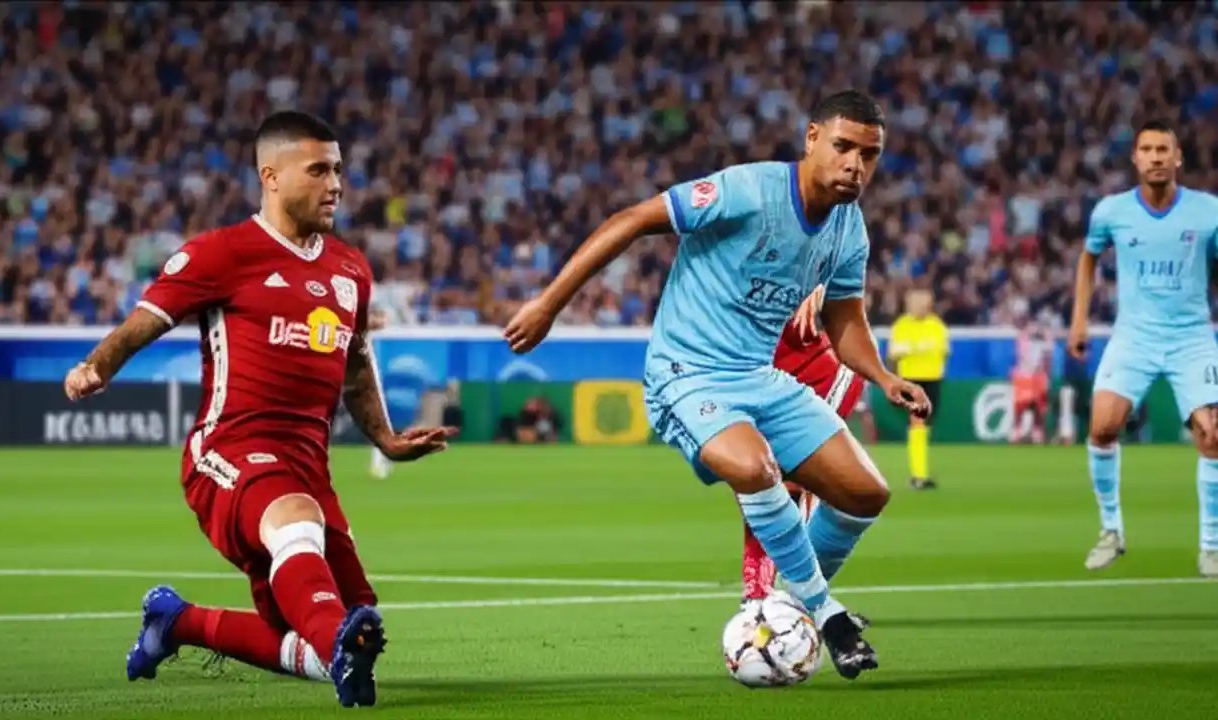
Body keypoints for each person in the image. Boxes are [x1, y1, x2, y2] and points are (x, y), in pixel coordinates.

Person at [504, 90, 931, 680]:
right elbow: (632, 220)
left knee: (866, 493)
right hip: (686, 373)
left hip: (759, 378)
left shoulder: (848, 229)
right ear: (812, 139)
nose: (855, 165)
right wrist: (549, 305)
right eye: (843, 146)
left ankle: (779, 606)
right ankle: (826, 614)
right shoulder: (746, 191)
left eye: (870, 154)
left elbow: (845, 320)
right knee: (756, 468)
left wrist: (883, 377)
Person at [63, 111, 456, 707]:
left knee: (348, 618)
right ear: (270, 176)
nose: (337, 185)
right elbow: (148, 319)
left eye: (340, 170)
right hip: (227, 451)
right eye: (319, 170)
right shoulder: (224, 253)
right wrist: (97, 366)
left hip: (306, 466)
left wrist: (387, 439)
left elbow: (353, 363)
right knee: (304, 541)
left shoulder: (350, 269)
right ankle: (337, 649)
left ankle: (177, 623)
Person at [1068, 119, 1218, 577]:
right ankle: (1112, 530)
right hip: (1133, 336)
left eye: (1163, 149)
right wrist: (1079, 318)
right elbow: (1089, 257)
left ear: (1178, 158)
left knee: (1212, 435)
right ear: (1135, 158)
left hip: (1192, 336)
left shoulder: (1208, 211)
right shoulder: (1111, 211)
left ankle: (1211, 545)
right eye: (1147, 149)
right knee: (1102, 428)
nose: (1155, 156)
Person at [740, 291, 870, 629]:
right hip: (763, 369)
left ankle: (773, 599)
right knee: (774, 481)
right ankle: (785, 601)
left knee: (781, 482)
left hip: (798, 368)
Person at [887, 288, 948, 489]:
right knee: (918, 424)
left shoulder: (936, 325)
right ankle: (919, 475)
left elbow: (943, 351)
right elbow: (894, 354)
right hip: (912, 381)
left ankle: (919, 473)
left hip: (933, 380)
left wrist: (913, 349)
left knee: (923, 426)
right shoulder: (902, 326)